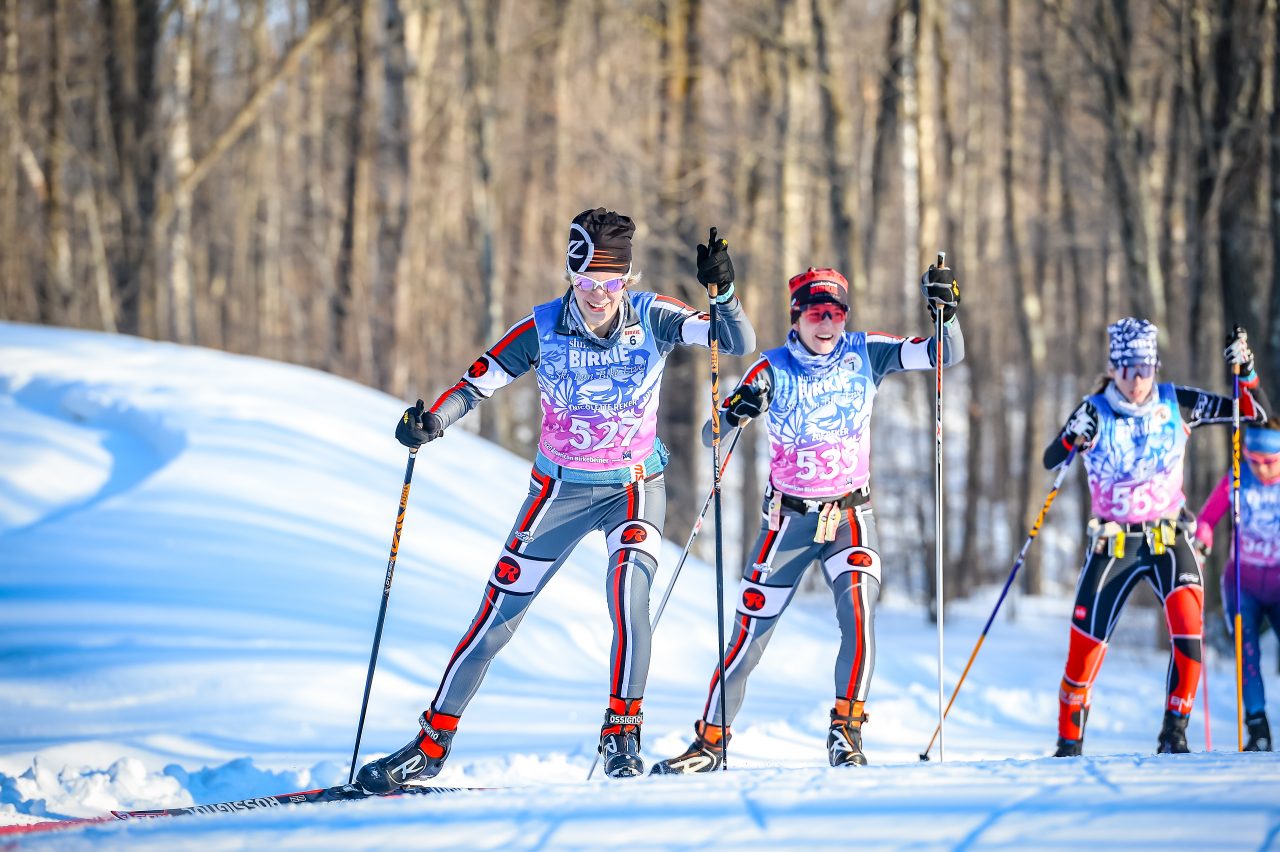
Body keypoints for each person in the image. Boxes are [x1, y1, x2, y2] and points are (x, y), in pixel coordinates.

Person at [354, 209, 755, 786]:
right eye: (588, 282)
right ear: (572, 277)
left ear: (629, 279)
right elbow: (475, 385)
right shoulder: (542, 327)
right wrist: (432, 422)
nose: (599, 296)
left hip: (634, 487)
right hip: (559, 491)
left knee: (628, 599)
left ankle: (622, 735)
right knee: (497, 615)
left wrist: (724, 294)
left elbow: (735, 341)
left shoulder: (654, 317)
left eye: (612, 283)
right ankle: (431, 743)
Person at [650, 262, 964, 773]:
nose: (827, 324)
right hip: (787, 523)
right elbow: (713, 436)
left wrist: (946, 313)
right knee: (748, 637)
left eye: (836, 313)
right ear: (796, 315)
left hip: (849, 516)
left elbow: (945, 355)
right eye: (816, 312)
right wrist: (736, 412)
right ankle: (710, 743)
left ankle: (847, 732)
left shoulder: (868, 352)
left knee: (859, 616)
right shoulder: (770, 368)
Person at [1045, 319, 1264, 757]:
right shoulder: (1093, 410)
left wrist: (1246, 373)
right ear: (1114, 368)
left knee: (1189, 629)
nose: (1138, 380)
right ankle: (1069, 744)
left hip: (1167, 539)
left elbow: (1250, 414)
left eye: (1146, 368)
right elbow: (1053, 458)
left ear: (1155, 366)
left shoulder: (1175, 402)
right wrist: (1073, 436)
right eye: (1129, 369)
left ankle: (1174, 734)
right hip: (1115, 544)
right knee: (1083, 651)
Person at [1195, 416, 1280, 751]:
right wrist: (1202, 540)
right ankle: (1257, 729)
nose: (1261, 470)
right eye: (1254, 460)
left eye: (1270, 463)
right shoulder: (1237, 477)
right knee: (1248, 655)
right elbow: (1207, 518)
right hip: (1242, 582)